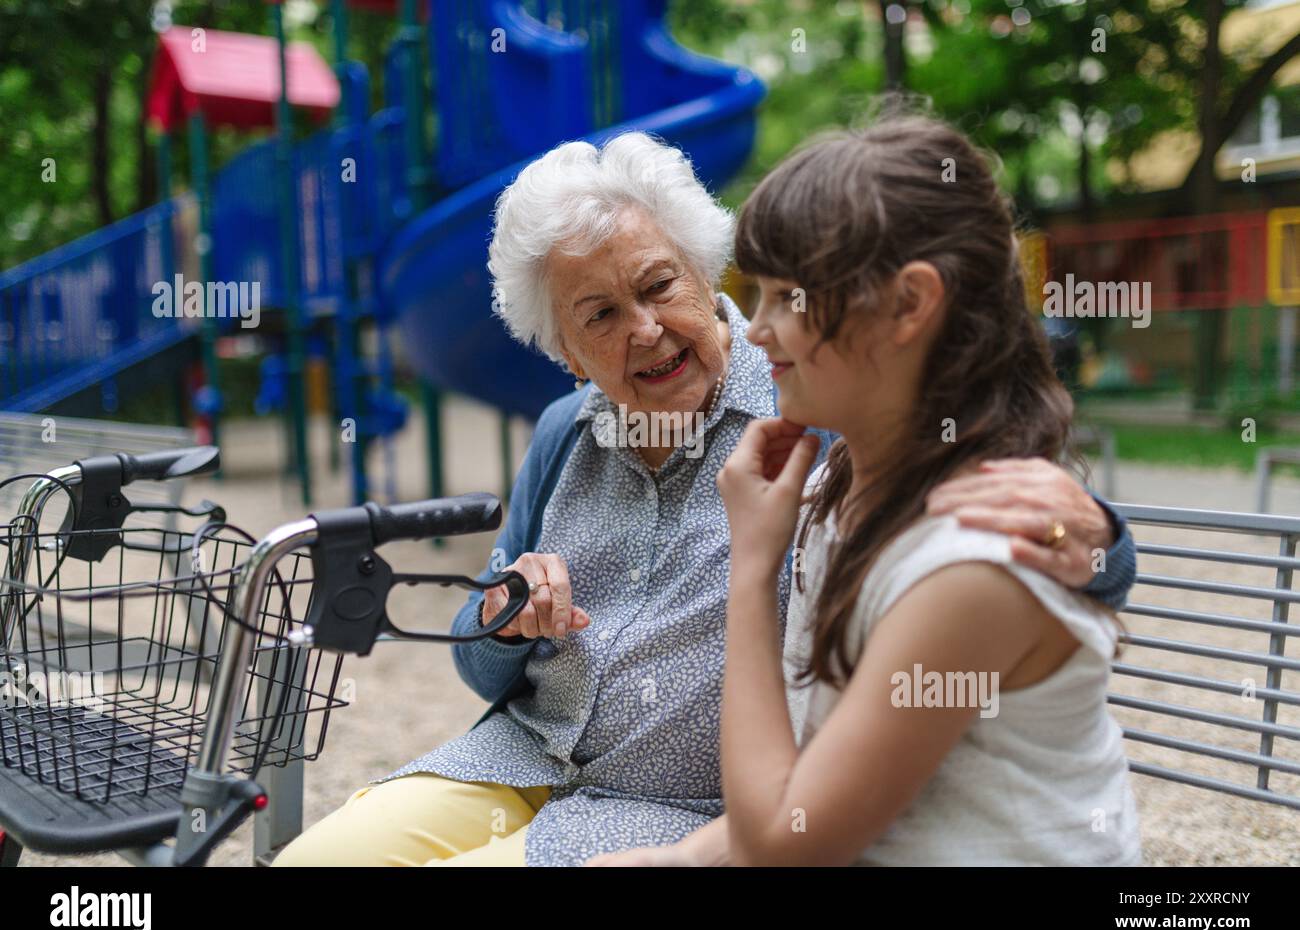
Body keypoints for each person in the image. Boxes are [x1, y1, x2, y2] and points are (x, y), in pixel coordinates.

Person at [275, 130, 1136, 867]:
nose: (645, 330)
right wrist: (506, 613)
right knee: (312, 860)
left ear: (700, 267)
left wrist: (1102, 539)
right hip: (527, 757)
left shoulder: (810, 404)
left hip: (688, 803)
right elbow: (478, 661)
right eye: (600, 316)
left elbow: (987, 511)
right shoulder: (565, 433)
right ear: (566, 350)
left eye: (658, 288)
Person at [593, 115, 1141, 867]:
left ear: (912, 304)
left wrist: (752, 566)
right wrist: (668, 861)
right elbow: (819, 786)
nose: (755, 330)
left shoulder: (975, 559)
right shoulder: (833, 490)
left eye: (789, 297)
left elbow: (786, 846)